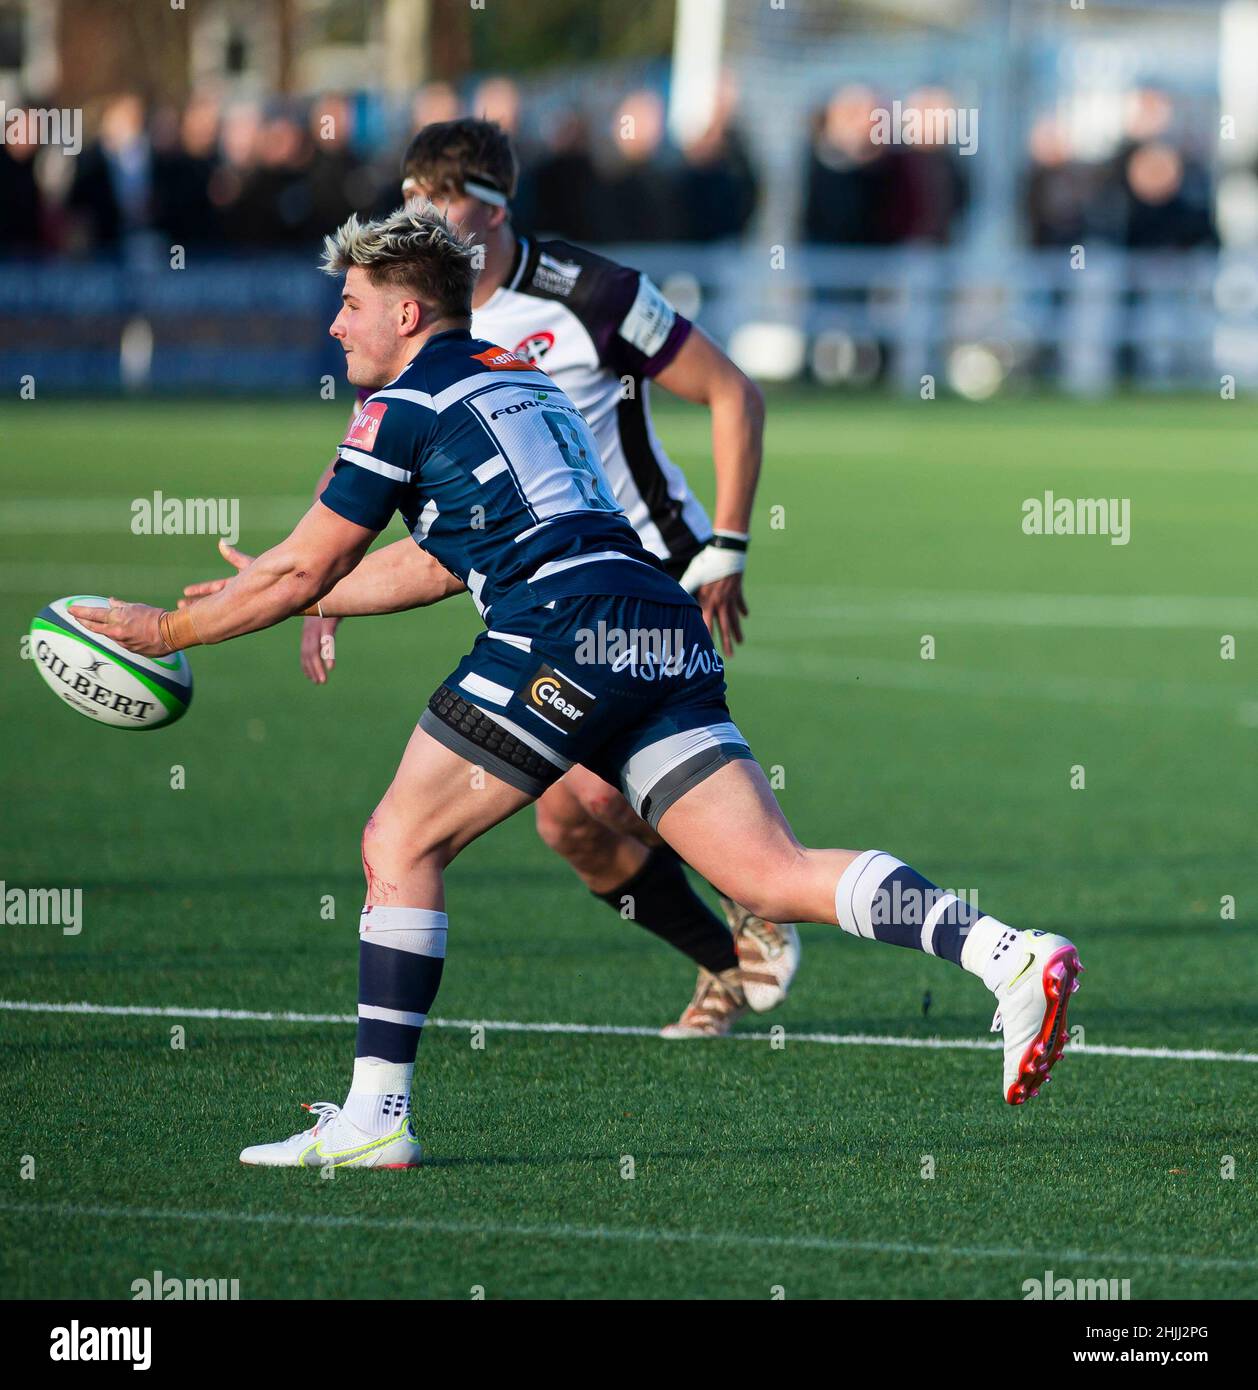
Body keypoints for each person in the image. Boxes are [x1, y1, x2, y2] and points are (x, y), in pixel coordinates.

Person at [71, 203, 1082, 1168]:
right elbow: (434, 562)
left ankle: (375, 1121)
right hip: (656, 620)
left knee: (399, 842)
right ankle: (1006, 954)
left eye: (351, 304)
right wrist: (290, 589)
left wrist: (169, 628)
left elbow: (306, 563)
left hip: (558, 631)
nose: (335, 324)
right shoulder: (520, 380)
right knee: (771, 875)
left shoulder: (401, 405)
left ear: (406, 313)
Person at [302, 117, 799, 1038]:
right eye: (410, 198)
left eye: (441, 200)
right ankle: (731, 953)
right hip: (534, 585)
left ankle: (756, 887)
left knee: (597, 793)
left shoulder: (591, 292)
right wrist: (321, 585)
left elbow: (732, 391)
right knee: (566, 826)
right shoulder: (410, 314)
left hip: (645, 568)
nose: (420, 217)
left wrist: (728, 544)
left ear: (494, 210)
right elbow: (375, 465)